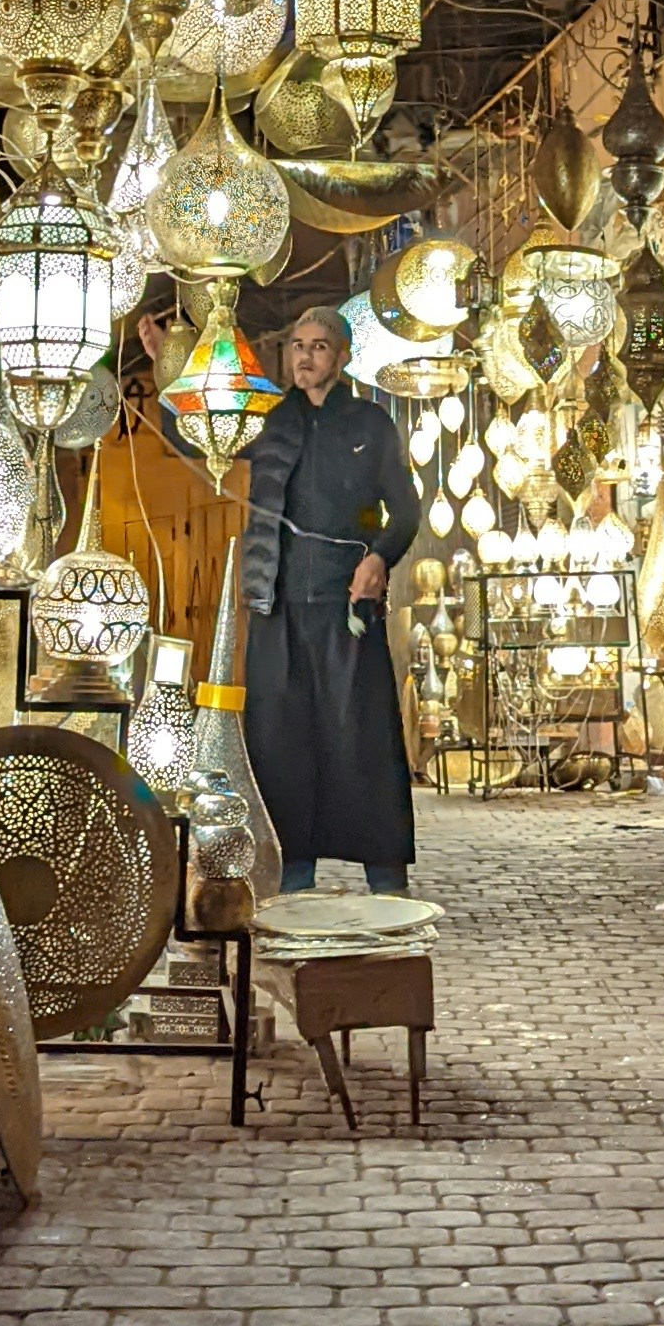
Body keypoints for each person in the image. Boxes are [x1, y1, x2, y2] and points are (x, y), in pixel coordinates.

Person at [237, 302, 423, 895]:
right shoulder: (266, 419)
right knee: (281, 743)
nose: (304, 356)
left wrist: (378, 557)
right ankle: (292, 880)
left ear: (341, 358)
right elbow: (192, 425)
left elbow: (407, 509)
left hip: (347, 609)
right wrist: (168, 360)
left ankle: (386, 880)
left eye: (318, 347)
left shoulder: (370, 425)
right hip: (278, 607)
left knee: (362, 742)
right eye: (297, 345)